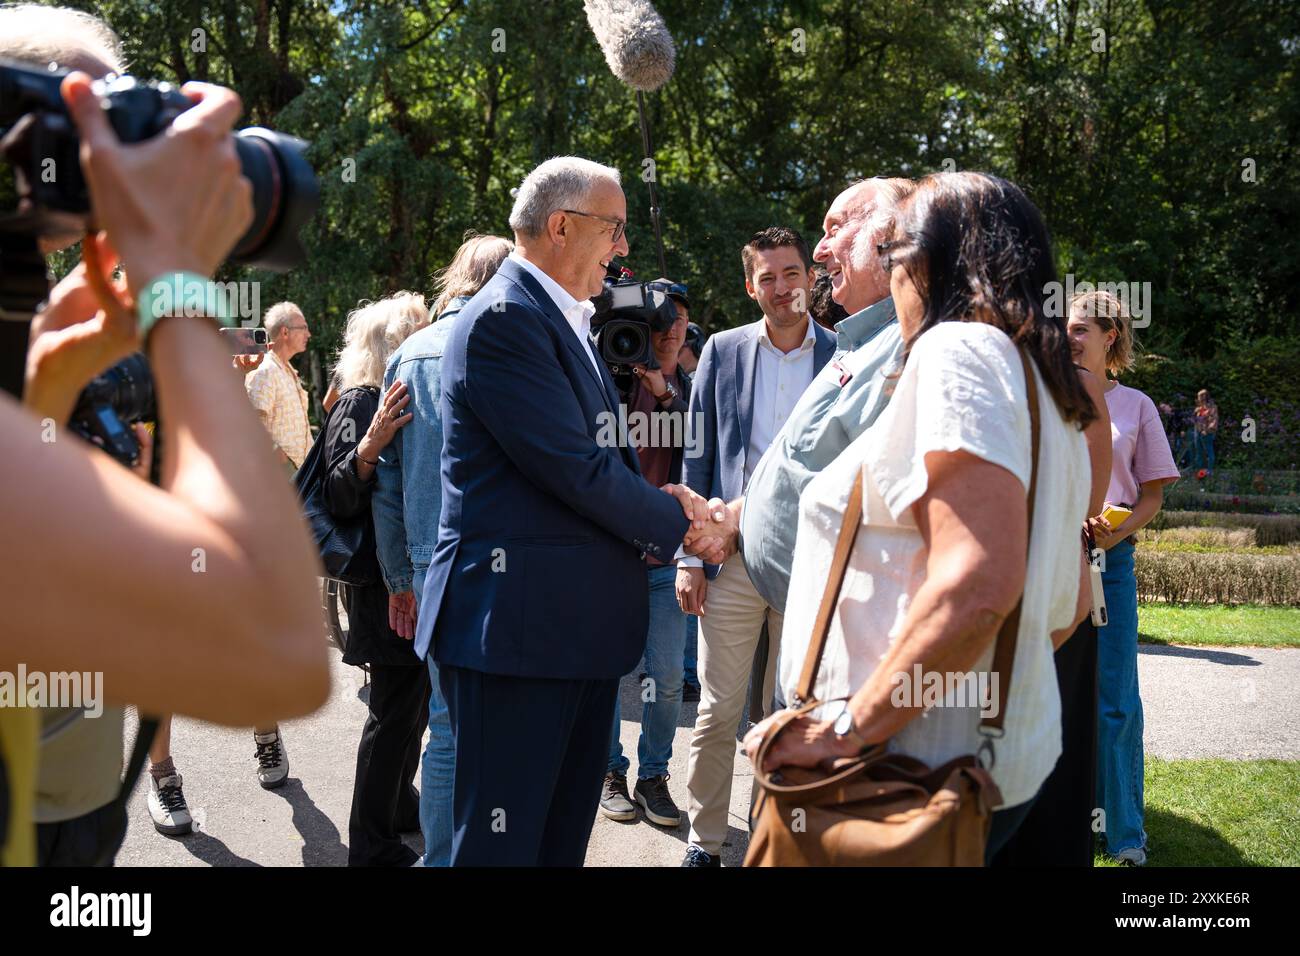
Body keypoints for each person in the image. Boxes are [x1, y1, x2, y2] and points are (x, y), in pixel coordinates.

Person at [0, 7, 329, 867]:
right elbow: (277, 645)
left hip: (61, 794)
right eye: (97, 122)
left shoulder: (25, 335)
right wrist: (175, 287)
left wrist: (53, 371)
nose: (126, 153)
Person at [744, 171, 1096, 863]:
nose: (888, 271)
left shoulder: (957, 350)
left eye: (896, 251)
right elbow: (1064, 603)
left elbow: (977, 584)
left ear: (931, 262)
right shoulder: (1042, 383)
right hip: (969, 760)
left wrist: (846, 728)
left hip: (898, 772)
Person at [414, 156, 727, 866]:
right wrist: (684, 523)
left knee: (552, 845)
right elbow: (575, 471)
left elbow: (596, 462)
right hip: (519, 640)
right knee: (499, 852)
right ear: (561, 225)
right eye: (614, 229)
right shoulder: (505, 319)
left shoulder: (560, 321)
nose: (622, 248)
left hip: (563, 638)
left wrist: (668, 501)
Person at [675, 227, 835, 866]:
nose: (781, 287)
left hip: (813, 563)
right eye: (767, 277)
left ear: (810, 278)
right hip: (732, 558)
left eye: (792, 273)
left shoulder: (845, 354)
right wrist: (690, 557)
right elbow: (698, 456)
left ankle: (773, 841)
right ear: (751, 286)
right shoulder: (722, 350)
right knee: (717, 713)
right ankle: (704, 842)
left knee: (791, 714)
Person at [373, 231, 513, 867]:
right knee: (508, 729)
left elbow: (388, 482)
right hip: (510, 569)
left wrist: (399, 578)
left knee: (448, 730)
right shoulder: (512, 345)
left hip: (434, 567)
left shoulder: (408, 357)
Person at [1068, 289, 1179, 866]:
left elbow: (1153, 495)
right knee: (1057, 696)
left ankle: (1126, 833)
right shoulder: (1050, 399)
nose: (1071, 335)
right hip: (1055, 565)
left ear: (1111, 336)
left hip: (1109, 566)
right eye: (1067, 325)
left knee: (1115, 700)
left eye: (1083, 328)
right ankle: (1070, 818)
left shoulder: (1136, 405)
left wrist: (1112, 533)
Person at [316, 293, 428, 866]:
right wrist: (371, 442)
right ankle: (371, 844)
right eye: (419, 333)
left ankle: (398, 807)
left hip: (399, 574)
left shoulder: (391, 395)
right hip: (378, 583)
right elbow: (338, 490)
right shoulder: (361, 400)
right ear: (392, 345)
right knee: (392, 711)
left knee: (413, 707)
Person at [598, 279, 696, 828]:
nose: (671, 328)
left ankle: (652, 775)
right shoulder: (604, 375)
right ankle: (610, 772)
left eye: (680, 318)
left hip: (664, 559)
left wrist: (663, 392)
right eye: (660, 318)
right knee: (610, 673)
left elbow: (699, 446)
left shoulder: (688, 387)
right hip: (609, 557)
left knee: (663, 676)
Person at [246, 301, 313, 472]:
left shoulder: (288, 370)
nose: (309, 334)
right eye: (303, 328)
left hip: (301, 475)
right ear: (285, 332)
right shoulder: (266, 370)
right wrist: (283, 462)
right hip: (281, 476)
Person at [1192, 388, 1219, 475]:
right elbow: (1194, 420)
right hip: (1198, 432)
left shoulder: (1212, 408)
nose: (1198, 398)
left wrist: (1207, 430)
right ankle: (1200, 471)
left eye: (1199, 396)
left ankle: (1210, 470)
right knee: (1199, 451)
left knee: (1209, 451)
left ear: (1204, 396)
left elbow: (1214, 420)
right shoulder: (1198, 409)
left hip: (1207, 433)